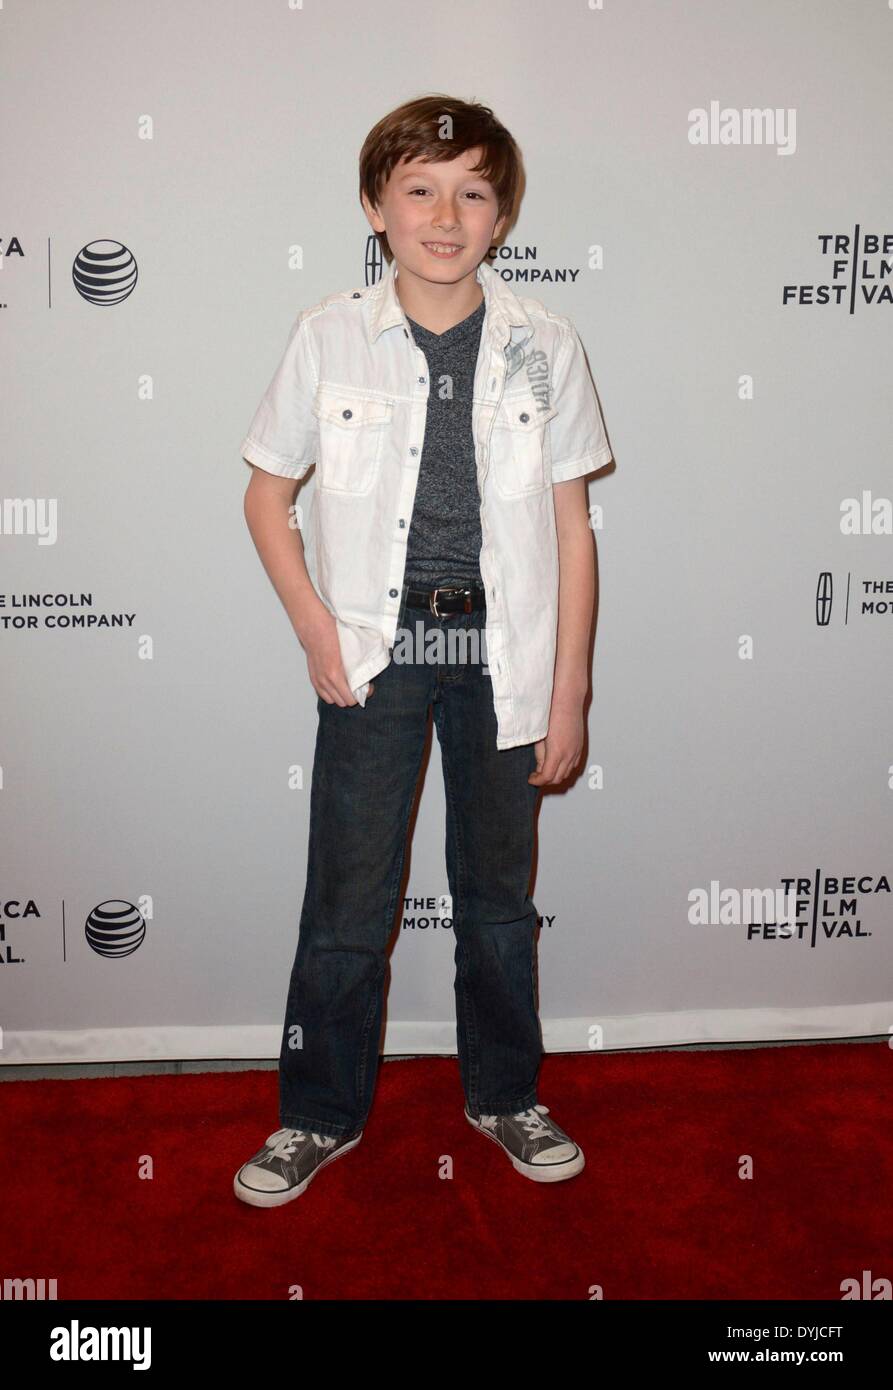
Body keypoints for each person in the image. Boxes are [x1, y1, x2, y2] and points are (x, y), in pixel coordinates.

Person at [233, 94, 612, 1207]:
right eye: (419, 189)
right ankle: (314, 1113)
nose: (445, 214)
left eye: (472, 191)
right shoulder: (328, 334)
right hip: (374, 655)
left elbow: (569, 524)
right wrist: (316, 628)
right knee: (346, 902)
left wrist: (570, 687)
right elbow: (266, 496)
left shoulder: (546, 345)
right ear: (376, 205)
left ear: (500, 215)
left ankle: (505, 1094)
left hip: (508, 655)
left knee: (495, 897)